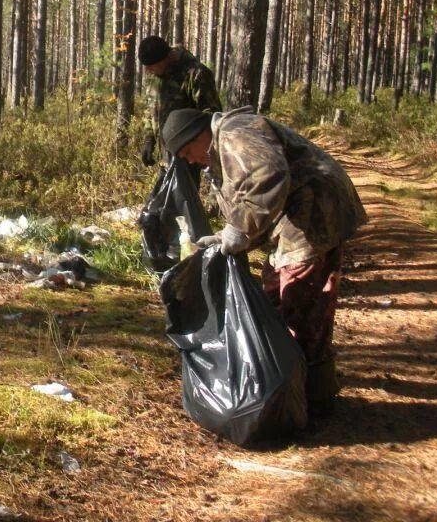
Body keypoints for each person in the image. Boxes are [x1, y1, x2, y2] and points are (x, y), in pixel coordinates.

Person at [160, 107, 367, 414]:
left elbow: (268, 178)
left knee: (300, 302)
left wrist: (239, 229)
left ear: (199, 134)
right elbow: (249, 198)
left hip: (314, 216)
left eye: (189, 151)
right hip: (297, 219)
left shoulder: (233, 135)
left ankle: (311, 399)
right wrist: (225, 236)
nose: (191, 159)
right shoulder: (222, 145)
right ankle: (288, 392)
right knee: (274, 300)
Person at [137, 35, 221, 167]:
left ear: (165, 59)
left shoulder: (195, 74)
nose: (148, 71)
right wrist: (149, 140)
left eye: (151, 66)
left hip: (190, 155)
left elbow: (212, 115)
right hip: (165, 155)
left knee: (183, 188)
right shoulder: (154, 78)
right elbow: (150, 110)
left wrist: (194, 148)